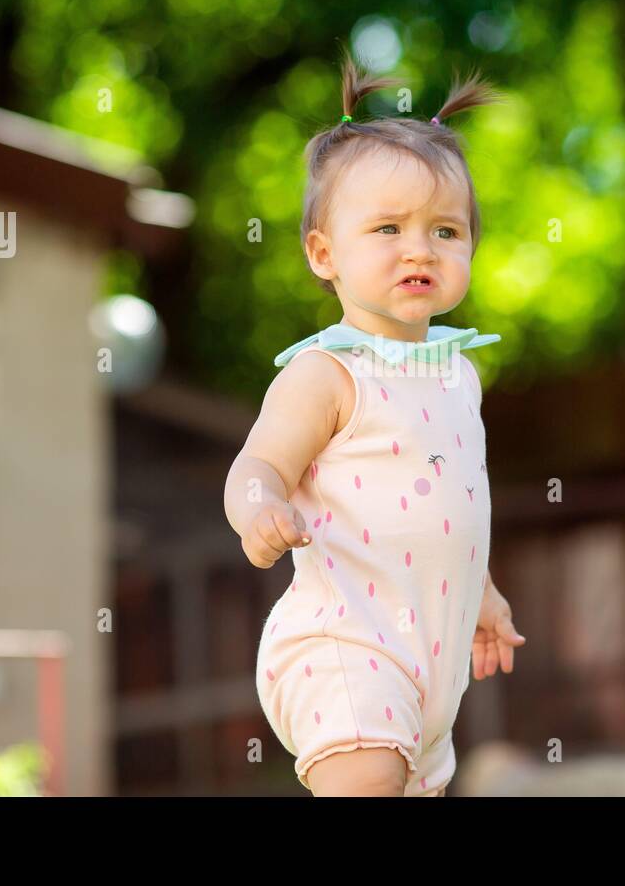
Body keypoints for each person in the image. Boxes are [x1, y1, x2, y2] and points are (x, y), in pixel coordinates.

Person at [224, 47, 526, 797]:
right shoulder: (328, 373)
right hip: (344, 647)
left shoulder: (457, 375)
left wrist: (481, 591)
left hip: (433, 670)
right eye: (388, 229)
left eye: (445, 232)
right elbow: (257, 466)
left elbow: (451, 505)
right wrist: (257, 509)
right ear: (324, 254)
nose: (419, 247)